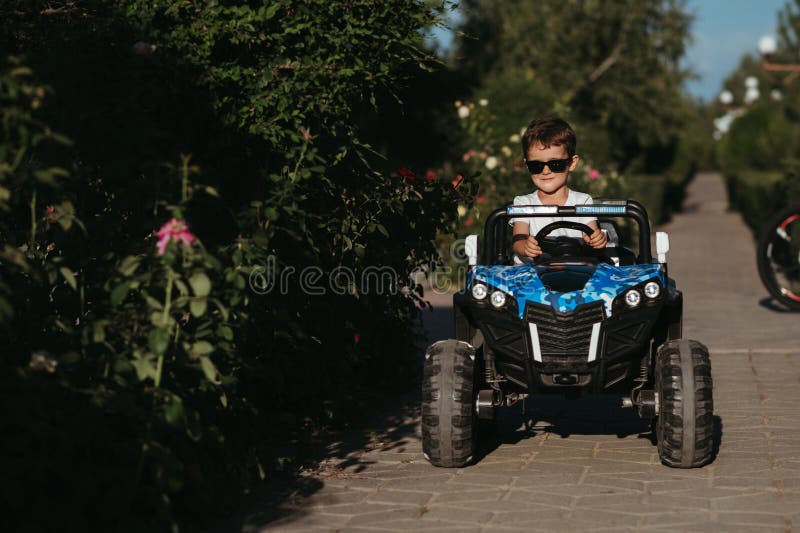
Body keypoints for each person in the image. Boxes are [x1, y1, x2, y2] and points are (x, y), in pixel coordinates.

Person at [510, 115, 607, 261]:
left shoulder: (583, 200)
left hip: (574, 271)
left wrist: (596, 239)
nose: (546, 171)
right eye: (536, 165)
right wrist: (525, 247)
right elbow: (518, 240)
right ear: (527, 165)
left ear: (572, 163)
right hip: (532, 275)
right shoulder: (523, 203)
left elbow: (592, 233)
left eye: (555, 164)